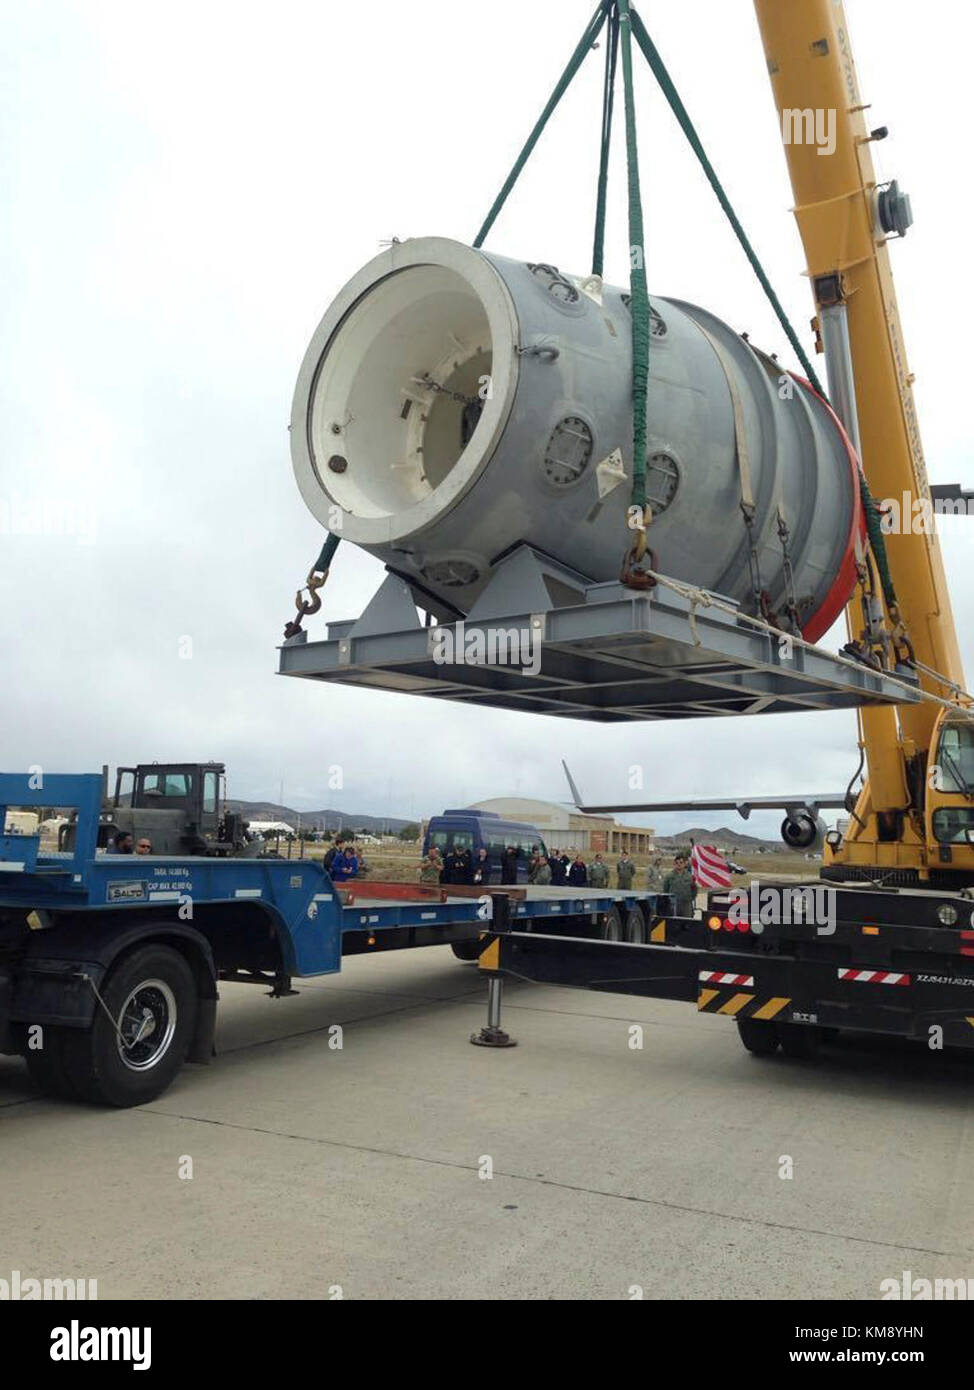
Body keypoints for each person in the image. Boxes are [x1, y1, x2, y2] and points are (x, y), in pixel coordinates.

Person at [662, 852, 695, 917]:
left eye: (681, 862)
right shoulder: (669, 876)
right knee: (673, 922)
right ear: (674, 863)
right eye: (676, 863)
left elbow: (694, 890)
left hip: (686, 905)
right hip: (673, 904)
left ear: (685, 864)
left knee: (687, 923)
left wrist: (690, 898)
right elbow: (665, 889)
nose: (679, 864)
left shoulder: (690, 876)